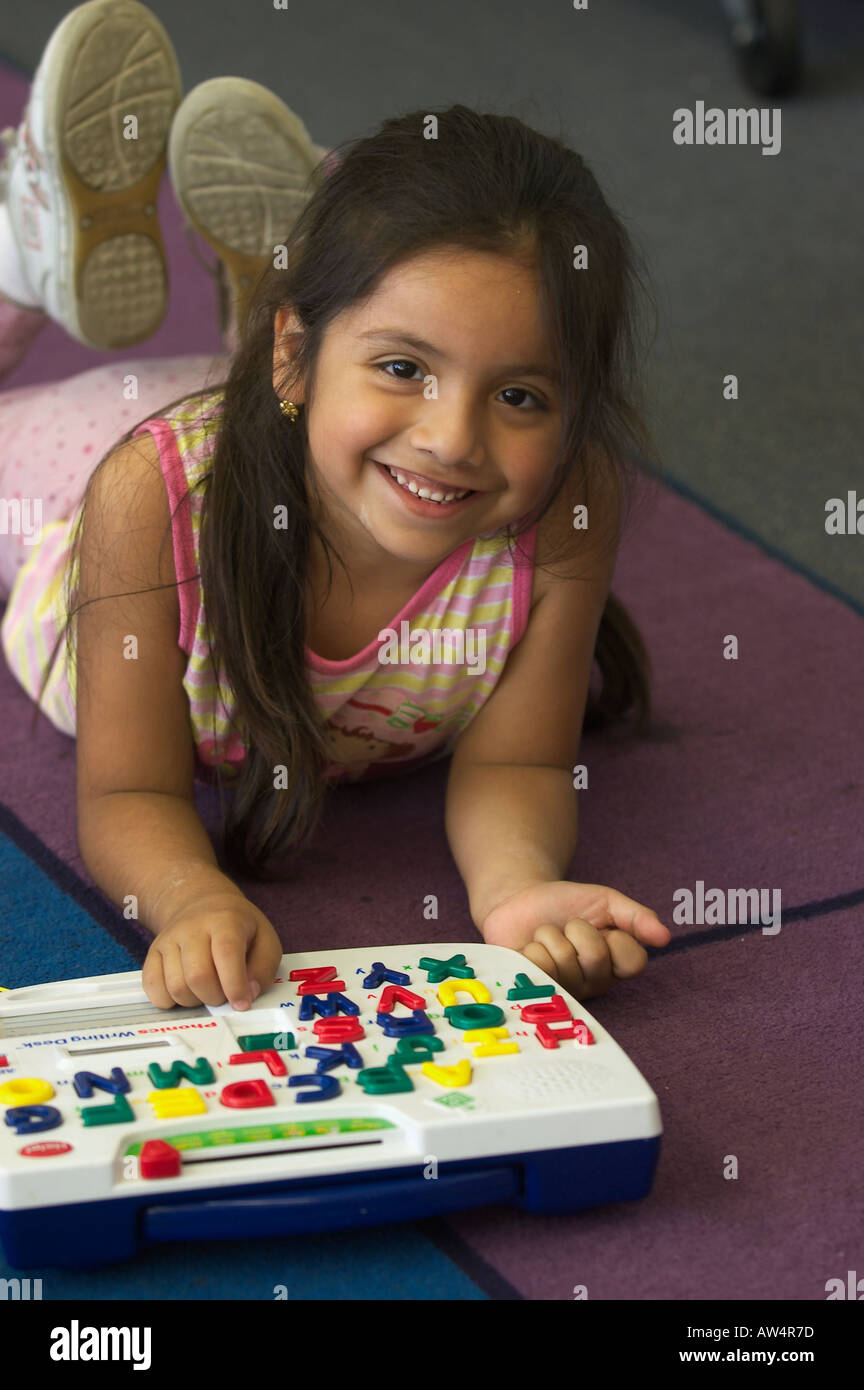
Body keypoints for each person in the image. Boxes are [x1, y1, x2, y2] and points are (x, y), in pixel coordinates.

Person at [0, 0, 671, 1013]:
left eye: (521, 395)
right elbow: (128, 790)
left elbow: (522, 758)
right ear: (296, 355)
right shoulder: (149, 495)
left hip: (311, 424)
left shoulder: (567, 502)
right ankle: (25, 245)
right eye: (409, 364)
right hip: (81, 507)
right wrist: (189, 899)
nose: (454, 437)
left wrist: (520, 890)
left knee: (345, 411)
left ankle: (306, 278)